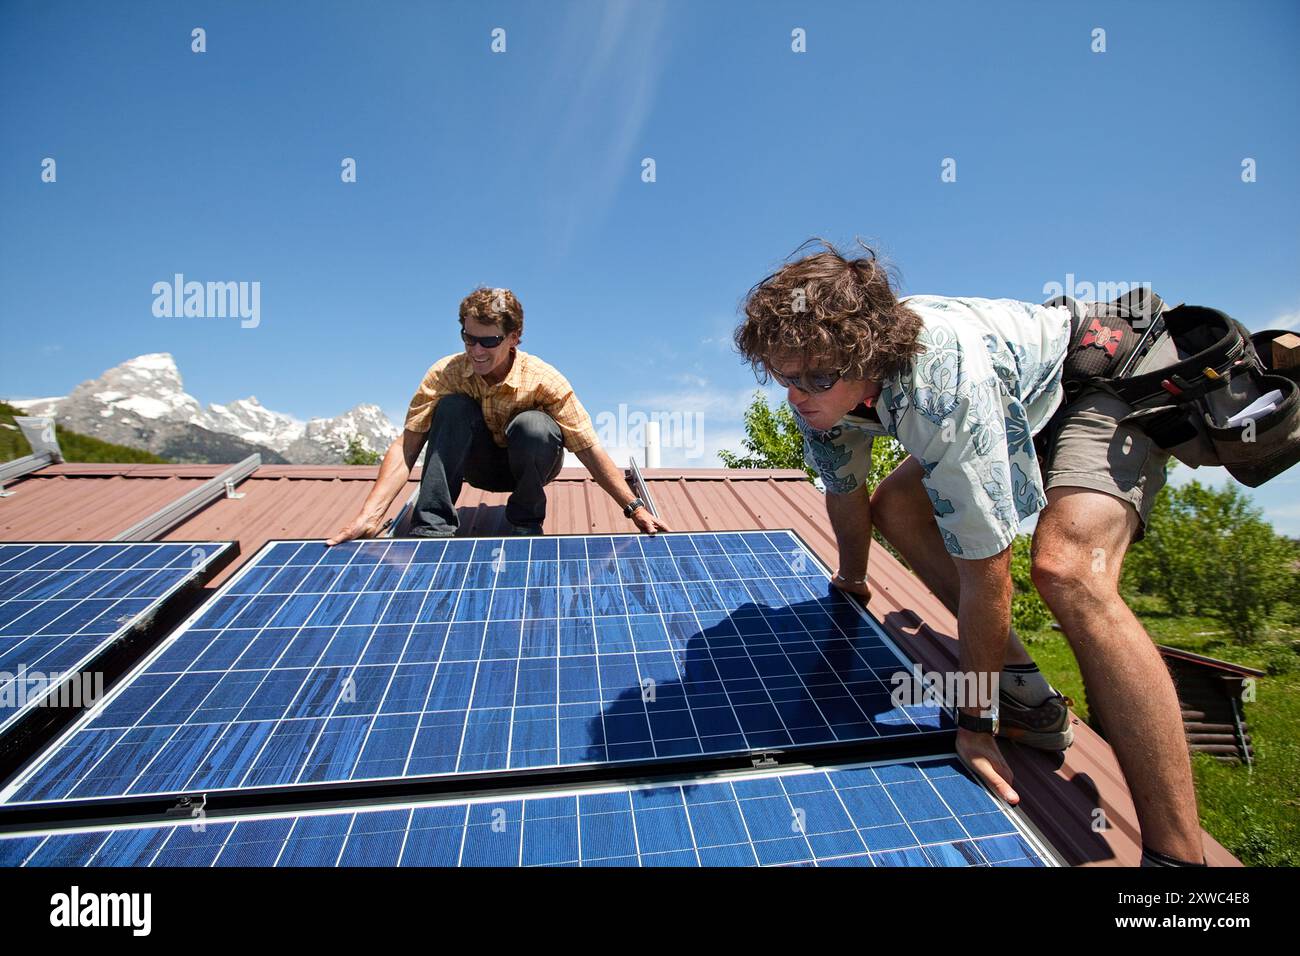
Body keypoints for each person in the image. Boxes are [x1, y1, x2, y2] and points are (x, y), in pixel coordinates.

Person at [732, 240, 1206, 867]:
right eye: (784, 377)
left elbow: (988, 573)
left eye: (816, 379)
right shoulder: (819, 386)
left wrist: (976, 726)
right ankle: (1031, 702)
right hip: (1024, 395)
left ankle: (1180, 863)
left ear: (870, 355)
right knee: (896, 507)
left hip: (1103, 376)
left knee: (1067, 571)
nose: (797, 395)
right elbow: (846, 492)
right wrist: (851, 584)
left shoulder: (943, 386)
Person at [328, 286, 670, 543]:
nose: (476, 351)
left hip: (532, 464)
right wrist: (370, 515)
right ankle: (432, 528)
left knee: (534, 425)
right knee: (452, 406)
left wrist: (635, 508)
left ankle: (524, 522)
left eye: (488, 341)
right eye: (468, 338)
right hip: (477, 466)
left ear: (514, 338)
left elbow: (588, 449)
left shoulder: (544, 380)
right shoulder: (445, 374)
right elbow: (408, 446)